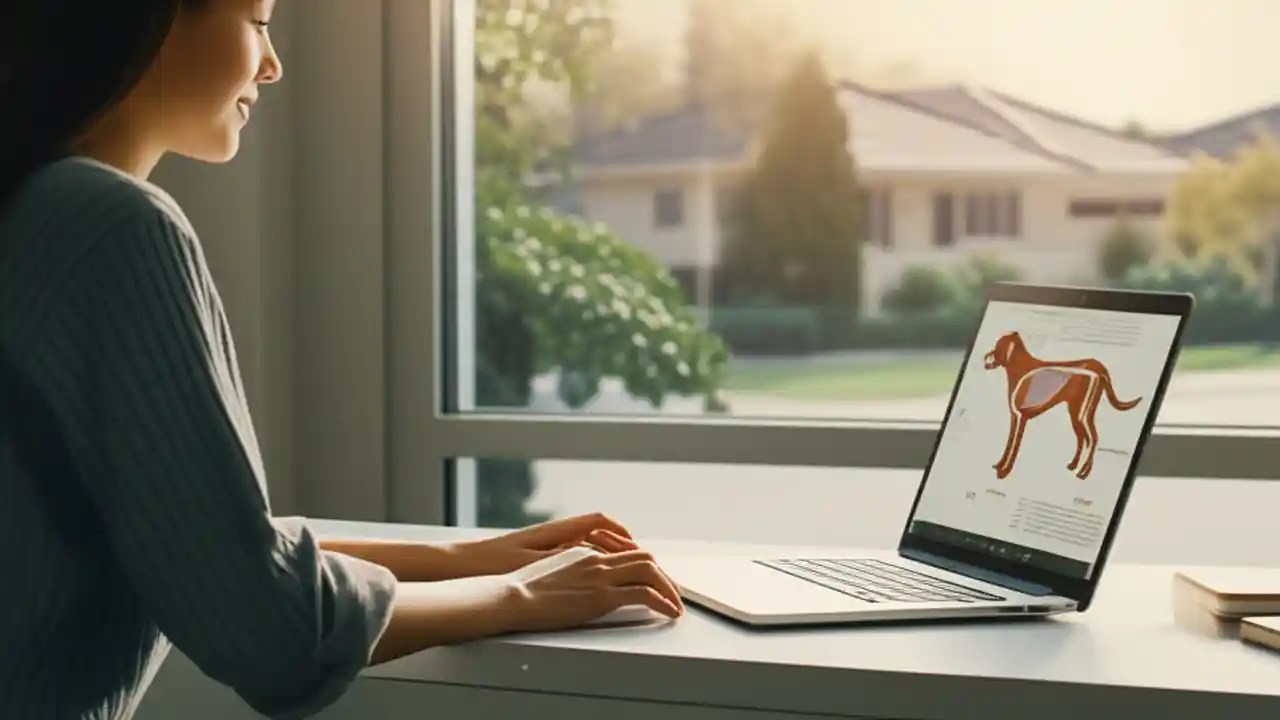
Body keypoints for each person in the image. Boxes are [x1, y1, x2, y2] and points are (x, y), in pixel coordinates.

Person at [0, 1, 684, 718]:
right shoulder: (110, 227)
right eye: (258, 22)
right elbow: (266, 626)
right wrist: (518, 594)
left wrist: (468, 558)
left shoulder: (36, 208)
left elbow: (206, 546)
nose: (273, 66)